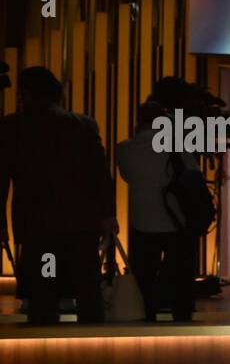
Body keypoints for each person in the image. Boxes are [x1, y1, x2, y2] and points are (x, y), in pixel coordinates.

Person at [0, 66, 115, 324]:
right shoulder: (83, 125)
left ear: (26, 94)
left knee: (45, 286)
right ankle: (97, 349)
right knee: (87, 288)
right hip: (81, 225)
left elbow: (2, 177)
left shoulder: (13, 127)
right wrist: (107, 214)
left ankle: (46, 351)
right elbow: (100, 176)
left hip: (40, 227)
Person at [116, 91, 201, 322]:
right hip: (176, 221)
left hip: (141, 220)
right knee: (180, 275)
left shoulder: (124, 149)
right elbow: (193, 175)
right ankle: (181, 314)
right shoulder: (177, 147)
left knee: (143, 274)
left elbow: (127, 176)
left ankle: (145, 316)